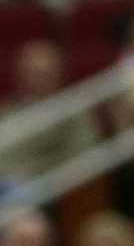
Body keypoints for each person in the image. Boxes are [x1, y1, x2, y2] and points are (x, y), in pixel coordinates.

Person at [0, 39, 103, 193]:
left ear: (59, 73)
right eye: (31, 72)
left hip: (49, 191)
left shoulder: (73, 110)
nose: (37, 79)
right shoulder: (7, 110)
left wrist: (36, 173)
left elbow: (86, 155)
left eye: (44, 73)